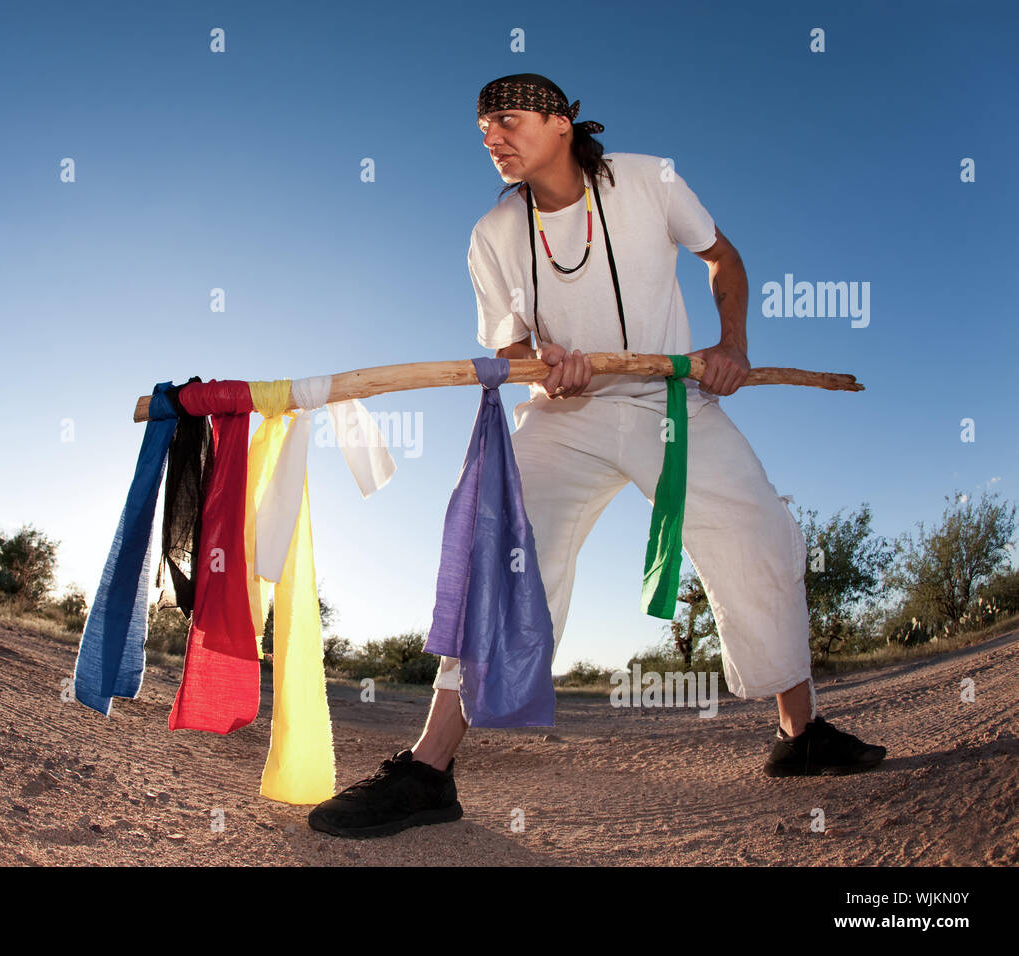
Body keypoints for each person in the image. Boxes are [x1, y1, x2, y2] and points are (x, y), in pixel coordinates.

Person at [307, 73, 886, 840]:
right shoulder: (491, 235)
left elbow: (724, 258)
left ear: (561, 124)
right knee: (500, 555)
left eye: (506, 121)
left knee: (763, 537)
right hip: (565, 416)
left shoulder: (652, 180)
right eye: (483, 129)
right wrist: (542, 359)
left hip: (673, 404)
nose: (491, 139)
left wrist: (734, 346)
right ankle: (428, 771)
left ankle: (800, 737)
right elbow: (507, 346)